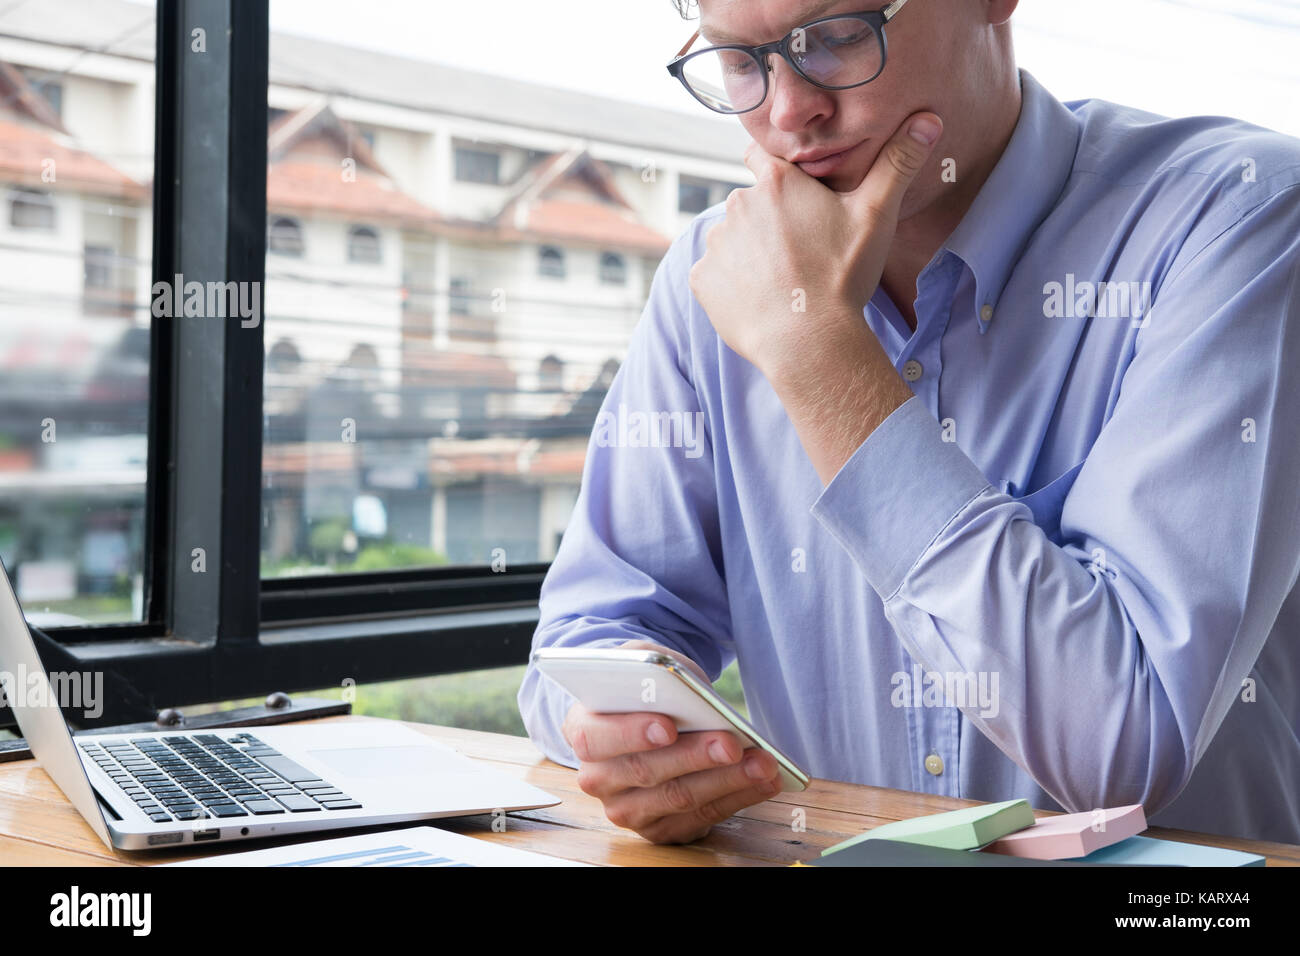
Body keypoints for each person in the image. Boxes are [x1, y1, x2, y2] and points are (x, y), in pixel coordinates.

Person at [518, 0, 1300, 846]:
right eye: (742, 62)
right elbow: (587, 636)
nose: (789, 111)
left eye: (837, 34)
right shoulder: (711, 276)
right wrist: (629, 731)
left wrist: (819, 355)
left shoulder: (1240, 215)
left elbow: (1124, 750)